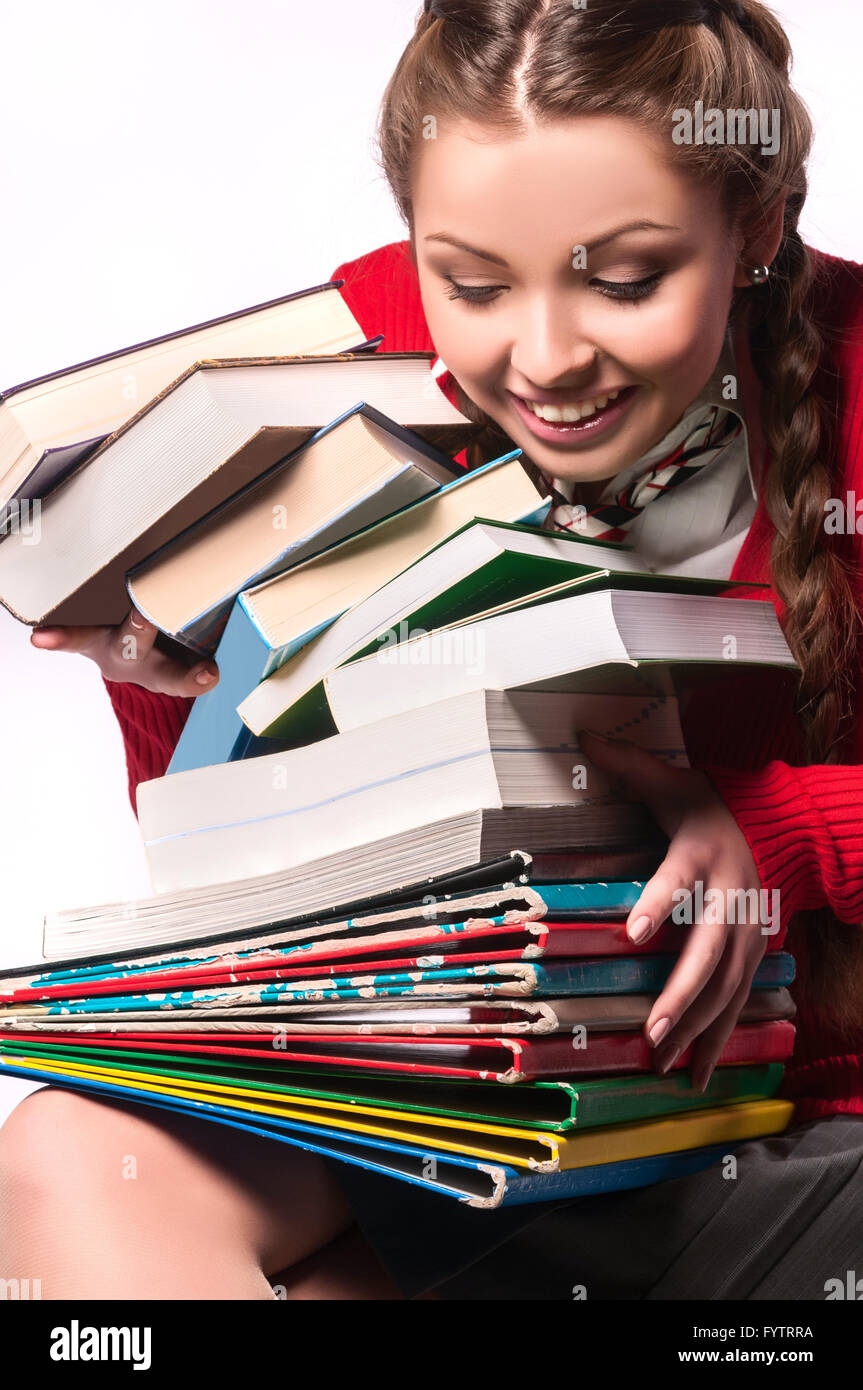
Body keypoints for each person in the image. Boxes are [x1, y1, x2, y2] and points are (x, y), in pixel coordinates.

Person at [2, 0, 862, 1300]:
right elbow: (274, 872)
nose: (546, 355)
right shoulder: (348, 367)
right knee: (70, 1160)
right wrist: (174, 676)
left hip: (787, 1102)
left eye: (625, 279)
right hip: (470, 1084)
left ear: (750, 224)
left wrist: (777, 832)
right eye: (471, 281)